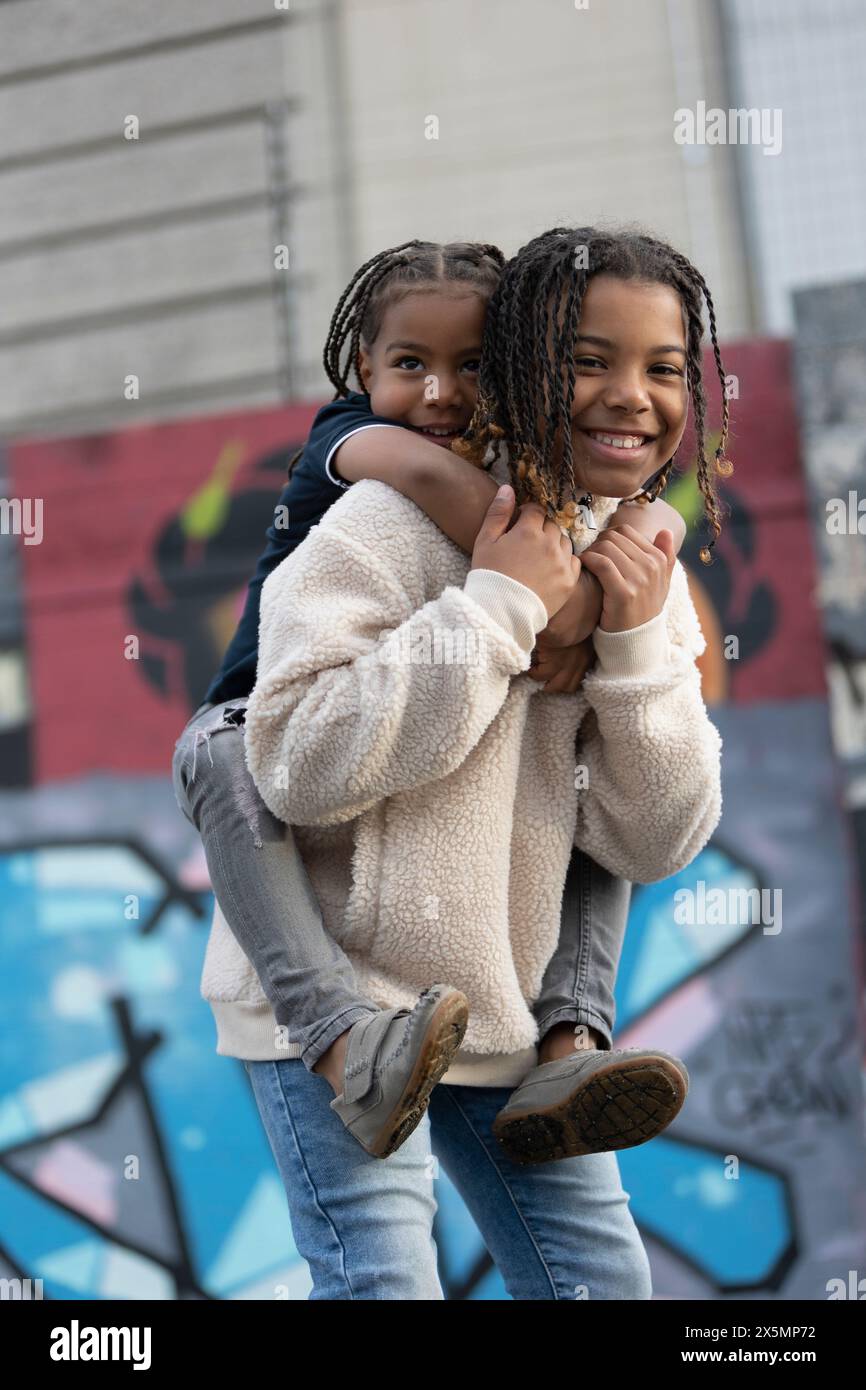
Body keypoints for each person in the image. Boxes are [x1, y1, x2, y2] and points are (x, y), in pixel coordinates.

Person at [190, 224, 728, 1299]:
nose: (630, 395)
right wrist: (496, 607)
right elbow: (288, 766)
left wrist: (623, 642)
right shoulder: (376, 522)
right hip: (347, 996)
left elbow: (649, 838)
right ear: (532, 361)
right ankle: (350, 1035)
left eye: (664, 369)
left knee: (601, 1285)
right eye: (587, 362)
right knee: (385, 1281)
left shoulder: (635, 565)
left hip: (515, 1017)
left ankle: (583, 1024)